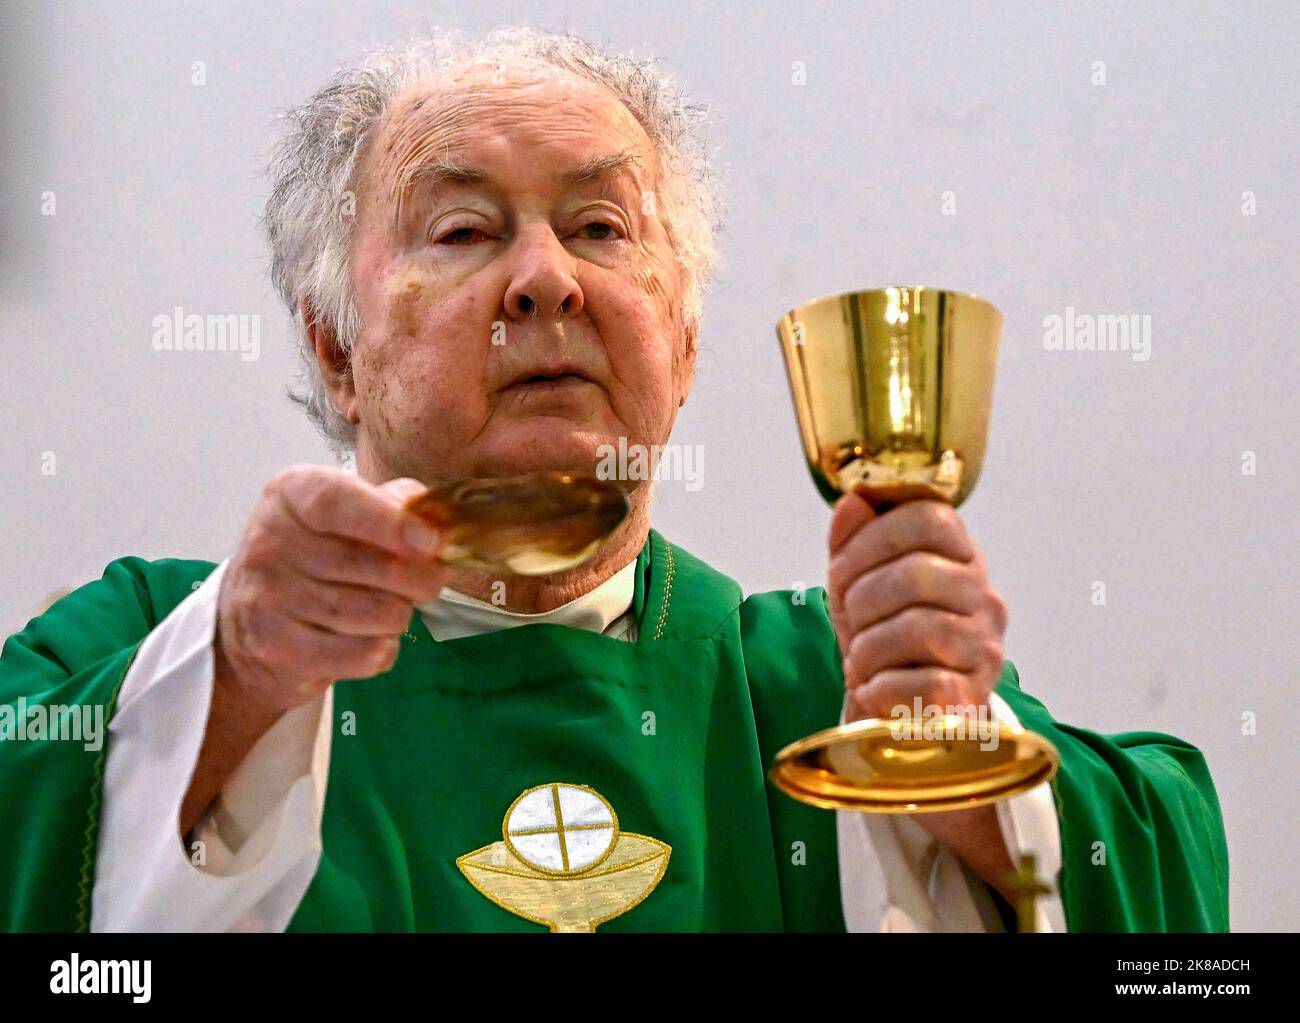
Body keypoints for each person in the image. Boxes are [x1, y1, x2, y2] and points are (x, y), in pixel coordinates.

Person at [0, 27, 1228, 933]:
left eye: (599, 228)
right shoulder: (158, 641)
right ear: (336, 345)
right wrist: (238, 685)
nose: (548, 281)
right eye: (465, 230)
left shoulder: (827, 687)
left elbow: (1170, 884)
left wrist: (967, 791)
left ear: (683, 340)